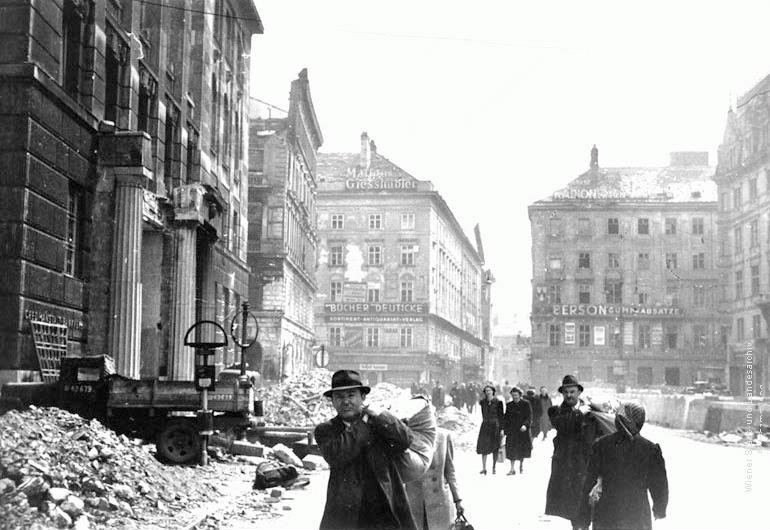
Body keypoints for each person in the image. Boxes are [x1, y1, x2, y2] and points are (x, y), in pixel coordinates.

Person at [315, 370, 418, 530]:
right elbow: (337, 454)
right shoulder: (326, 430)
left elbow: (405, 440)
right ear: (332, 401)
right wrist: (364, 422)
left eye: (351, 395)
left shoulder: (379, 422)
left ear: (362, 397)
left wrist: (382, 415)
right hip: (347, 514)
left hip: (385, 509)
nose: (346, 401)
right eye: (340, 397)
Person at [578, 402, 669, 530]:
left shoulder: (602, 445)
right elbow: (660, 485)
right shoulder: (650, 449)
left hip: (607, 513)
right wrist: (660, 509)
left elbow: (588, 483)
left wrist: (584, 517)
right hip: (637, 515)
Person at [545, 375, 599, 530]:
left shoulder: (591, 411)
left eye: (572, 391)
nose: (569, 395)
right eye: (566, 392)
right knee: (573, 502)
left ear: (579, 392)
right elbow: (564, 425)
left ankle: (585, 527)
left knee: (587, 500)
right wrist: (580, 412)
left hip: (588, 463)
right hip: (568, 465)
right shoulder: (556, 411)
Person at [406, 428, 464, 530]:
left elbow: (450, 471)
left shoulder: (444, 435)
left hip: (439, 501)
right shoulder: (406, 434)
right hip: (416, 502)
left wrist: (458, 500)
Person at [503, 386, 532, 474]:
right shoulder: (509, 405)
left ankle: (521, 465)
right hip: (512, 430)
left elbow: (529, 417)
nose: (514, 397)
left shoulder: (526, 404)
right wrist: (504, 429)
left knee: (521, 449)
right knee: (511, 449)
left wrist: (525, 425)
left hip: (522, 430)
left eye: (516, 395)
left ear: (520, 395)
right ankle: (512, 469)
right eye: (513, 395)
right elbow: (506, 418)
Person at [475, 384, 504, 475]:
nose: (488, 392)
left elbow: (501, 416)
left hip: (495, 426)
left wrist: (502, 429)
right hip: (485, 426)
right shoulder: (482, 402)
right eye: (486, 390)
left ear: (493, 392)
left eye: (489, 390)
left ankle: (494, 467)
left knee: (495, 447)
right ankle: (484, 468)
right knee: (484, 447)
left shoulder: (498, 402)